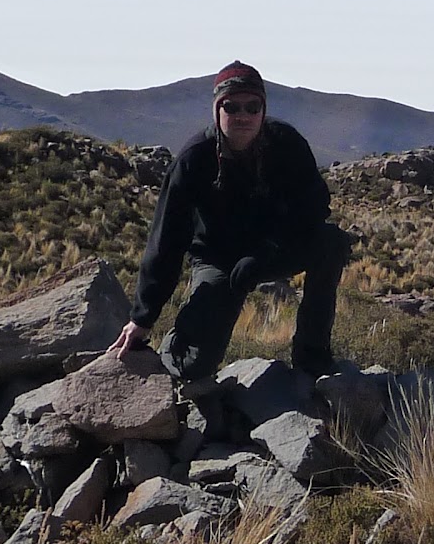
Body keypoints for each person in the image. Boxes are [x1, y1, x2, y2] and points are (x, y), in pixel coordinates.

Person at [109, 60, 350, 381]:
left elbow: (314, 207)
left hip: (271, 250)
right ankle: (175, 344)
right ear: (217, 109)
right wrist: (143, 317)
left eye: (252, 107)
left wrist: (268, 251)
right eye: (232, 106)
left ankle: (312, 357)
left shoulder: (287, 144)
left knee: (330, 242)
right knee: (193, 366)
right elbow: (166, 239)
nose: (243, 116)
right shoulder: (194, 159)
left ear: (263, 111)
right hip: (217, 257)